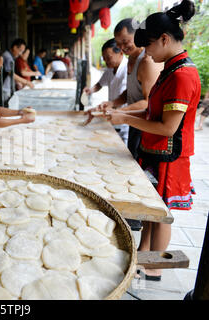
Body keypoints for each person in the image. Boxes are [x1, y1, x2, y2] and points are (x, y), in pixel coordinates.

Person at [106, 0, 200, 281]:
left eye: (148, 45)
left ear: (164, 39)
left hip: (168, 155)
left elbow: (168, 128)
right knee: (150, 209)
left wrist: (124, 119)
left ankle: (155, 267)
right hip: (154, 150)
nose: (146, 51)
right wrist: (119, 111)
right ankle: (143, 255)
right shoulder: (170, 68)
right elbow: (152, 109)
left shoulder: (182, 75)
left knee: (161, 213)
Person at [89, 18, 163, 160]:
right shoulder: (131, 59)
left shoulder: (147, 61)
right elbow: (131, 91)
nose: (122, 47)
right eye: (118, 44)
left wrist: (119, 112)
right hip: (134, 122)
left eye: (125, 41)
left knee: (138, 166)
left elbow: (148, 102)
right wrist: (113, 103)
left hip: (146, 127)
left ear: (138, 35)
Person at [83, 39, 129, 144]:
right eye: (104, 59)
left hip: (123, 116)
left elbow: (124, 98)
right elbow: (100, 84)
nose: (106, 61)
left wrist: (99, 110)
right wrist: (90, 90)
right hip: (111, 112)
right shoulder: (110, 68)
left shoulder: (127, 69)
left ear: (120, 53)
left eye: (109, 58)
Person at [2, 39, 34, 106]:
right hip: (5, 88)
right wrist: (26, 82)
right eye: (20, 51)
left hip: (8, 87)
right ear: (15, 47)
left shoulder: (11, 56)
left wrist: (17, 82)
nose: (20, 54)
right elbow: (10, 74)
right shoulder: (7, 57)